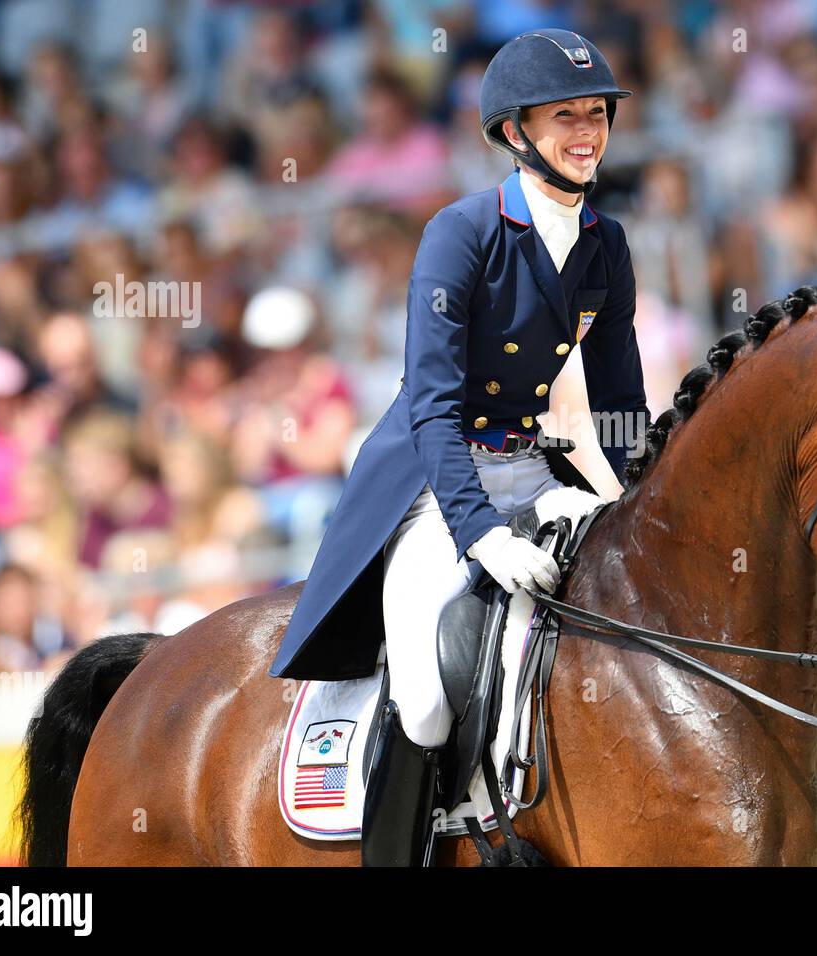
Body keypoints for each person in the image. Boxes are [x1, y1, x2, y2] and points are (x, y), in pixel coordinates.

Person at [268, 29, 650, 866]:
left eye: (597, 114)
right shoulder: (461, 232)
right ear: (516, 132)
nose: (587, 132)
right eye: (564, 117)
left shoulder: (605, 245)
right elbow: (434, 410)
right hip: (434, 488)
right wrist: (479, 531)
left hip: (534, 471)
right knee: (427, 691)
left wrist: (638, 501)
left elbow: (620, 402)